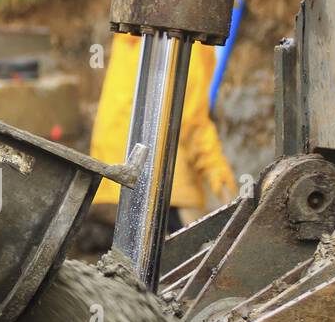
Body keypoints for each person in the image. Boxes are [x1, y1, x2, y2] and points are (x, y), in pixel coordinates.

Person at [80, 32, 237, 253]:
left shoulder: (129, 34)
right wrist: (222, 181)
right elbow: (192, 123)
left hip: (110, 180)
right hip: (161, 183)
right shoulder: (191, 41)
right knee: (196, 259)